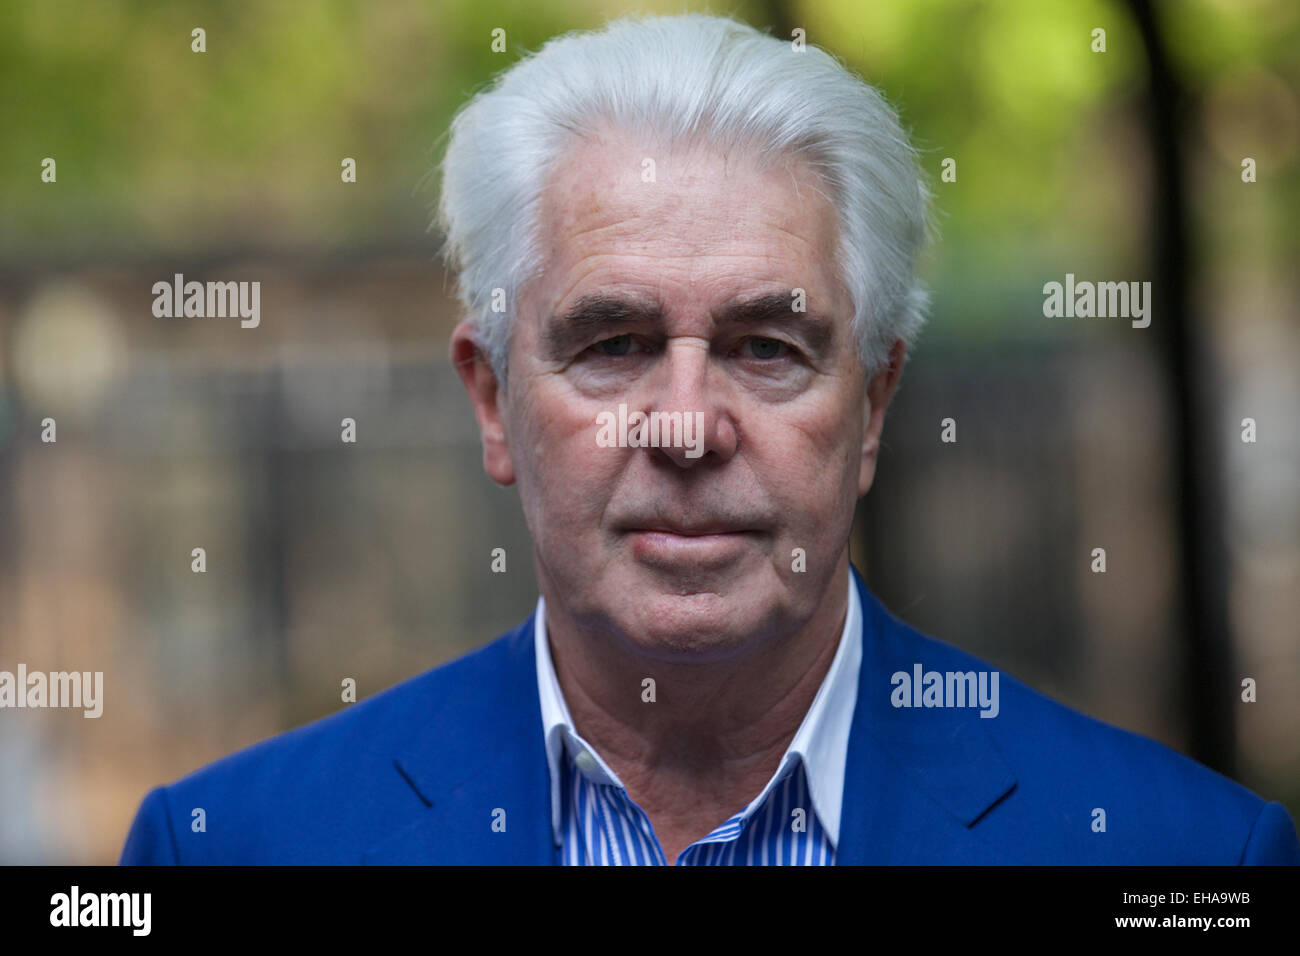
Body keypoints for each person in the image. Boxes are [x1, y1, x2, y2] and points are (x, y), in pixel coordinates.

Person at [120, 12, 1300, 865]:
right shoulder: (233, 845)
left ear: (874, 406)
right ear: (492, 404)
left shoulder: (1182, 858)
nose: (686, 426)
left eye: (765, 347)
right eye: (615, 343)